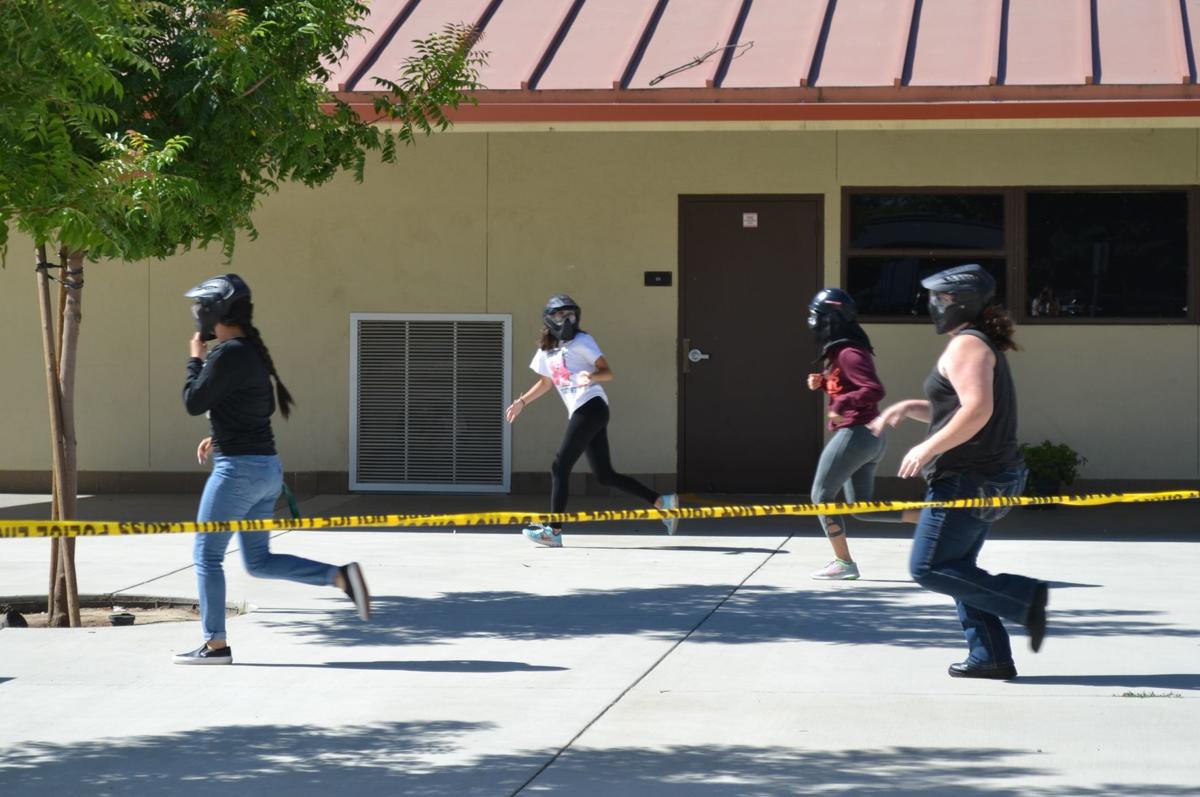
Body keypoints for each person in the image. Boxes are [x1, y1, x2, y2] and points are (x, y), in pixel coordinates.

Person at [174, 274, 370, 665]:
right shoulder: (248, 352)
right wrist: (219, 436)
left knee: (207, 555)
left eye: (200, 308)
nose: (197, 315)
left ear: (215, 311)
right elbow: (251, 408)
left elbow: (194, 401)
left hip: (238, 473)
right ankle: (341, 577)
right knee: (258, 561)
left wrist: (194, 358)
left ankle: (216, 645)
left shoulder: (226, 353)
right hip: (266, 470)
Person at [869, 264, 1048, 680]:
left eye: (942, 298)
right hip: (984, 476)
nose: (934, 305)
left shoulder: (968, 344)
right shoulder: (974, 342)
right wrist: (909, 410)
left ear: (963, 302)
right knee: (957, 569)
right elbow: (957, 410)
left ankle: (1026, 599)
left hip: (971, 479)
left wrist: (927, 446)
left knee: (928, 568)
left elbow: (978, 411)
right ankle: (990, 657)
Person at [505, 294, 679, 547]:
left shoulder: (583, 341)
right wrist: (521, 403)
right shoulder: (546, 350)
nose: (566, 320)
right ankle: (662, 502)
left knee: (559, 466)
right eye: (560, 315)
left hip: (591, 405)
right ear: (549, 318)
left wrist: (593, 376)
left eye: (571, 315)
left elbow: (607, 371)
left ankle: (553, 531)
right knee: (605, 475)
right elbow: (545, 383)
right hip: (582, 410)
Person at [805, 288, 888, 580]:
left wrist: (840, 403)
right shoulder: (841, 352)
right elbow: (851, 386)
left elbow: (874, 389)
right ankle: (930, 520)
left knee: (820, 495)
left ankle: (843, 563)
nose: (812, 321)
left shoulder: (850, 352)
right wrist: (825, 384)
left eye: (817, 316)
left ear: (832, 318)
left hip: (856, 435)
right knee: (863, 509)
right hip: (870, 437)